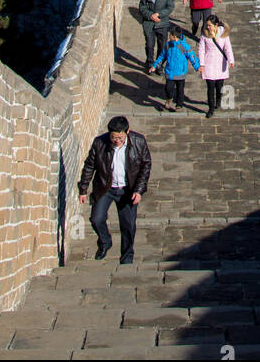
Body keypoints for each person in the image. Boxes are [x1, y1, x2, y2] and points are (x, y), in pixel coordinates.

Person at [78, 115, 151, 264]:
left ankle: (126, 258)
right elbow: (89, 166)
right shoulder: (100, 143)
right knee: (96, 219)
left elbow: (145, 166)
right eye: (113, 137)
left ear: (127, 132)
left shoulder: (139, 141)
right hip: (106, 187)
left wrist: (139, 190)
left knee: (128, 226)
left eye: (120, 137)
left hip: (128, 189)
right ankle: (105, 241)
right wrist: (83, 189)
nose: (117, 141)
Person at [152, 25, 199, 111]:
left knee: (180, 90)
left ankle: (179, 104)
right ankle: (169, 98)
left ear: (174, 36)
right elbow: (162, 56)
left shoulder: (183, 46)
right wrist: (155, 66)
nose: (169, 36)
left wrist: (197, 67)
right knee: (168, 88)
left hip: (181, 73)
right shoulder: (168, 45)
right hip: (170, 72)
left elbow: (192, 57)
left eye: (170, 35)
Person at [198, 16, 234, 117]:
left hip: (220, 63)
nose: (208, 27)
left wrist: (231, 60)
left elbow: (227, 48)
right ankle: (211, 107)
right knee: (210, 87)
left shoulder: (223, 34)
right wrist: (201, 64)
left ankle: (218, 100)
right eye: (207, 25)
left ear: (216, 25)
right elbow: (201, 49)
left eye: (210, 25)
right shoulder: (204, 35)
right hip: (208, 62)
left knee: (219, 85)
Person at [138, 0, 174, 72]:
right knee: (149, 45)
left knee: (162, 46)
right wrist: (150, 15)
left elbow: (170, 7)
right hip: (149, 24)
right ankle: (150, 63)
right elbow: (142, 7)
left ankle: (159, 65)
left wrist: (159, 14)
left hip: (162, 24)